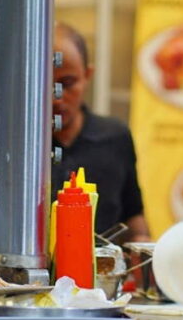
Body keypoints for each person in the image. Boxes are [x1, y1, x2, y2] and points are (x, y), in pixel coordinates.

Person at [52, 23, 150, 242]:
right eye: (46, 85)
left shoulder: (115, 137)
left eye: (67, 83)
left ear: (87, 75)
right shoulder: (17, 145)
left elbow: (134, 218)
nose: (57, 98)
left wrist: (143, 252)